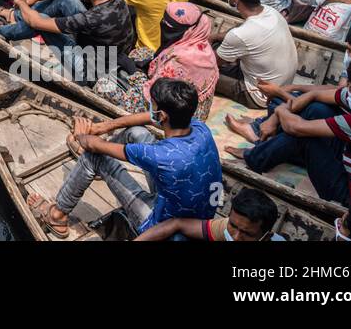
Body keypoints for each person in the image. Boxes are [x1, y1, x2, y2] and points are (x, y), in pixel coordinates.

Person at [28, 78, 222, 237]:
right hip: (194, 211)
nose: (150, 109)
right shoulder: (200, 128)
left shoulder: (159, 155)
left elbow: (92, 145)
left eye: (153, 106)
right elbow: (148, 118)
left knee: (92, 156)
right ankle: (95, 167)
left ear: (162, 115)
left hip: (163, 226)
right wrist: (103, 127)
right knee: (136, 132)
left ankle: (57, 215)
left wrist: (81, 135)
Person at [231, 58, 351, 205]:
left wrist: (279, 112)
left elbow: (296, 128)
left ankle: (255, 157)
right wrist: (281, 113)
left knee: (305, 136)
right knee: (316, 110)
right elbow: (315, 96)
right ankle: (262, 149)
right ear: (349, 86)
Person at [0, 0, 135, 81]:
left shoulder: (92, 18)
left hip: (90, 72)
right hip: (102, 49)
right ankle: (15, 16)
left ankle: (0, 31)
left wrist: (21, 3)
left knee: (41, 20)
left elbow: (36, 22)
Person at [214, 0, 299, 109]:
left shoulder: (240, 34)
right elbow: (242, 30)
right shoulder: (271, 11)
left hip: (260, 95)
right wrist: (214, 37)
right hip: (281, 83)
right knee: (222, 48)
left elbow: (212, 63)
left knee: (199, 72)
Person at [135, 186, 284, 242]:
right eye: (232, 225)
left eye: (248, 234)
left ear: (267, 236)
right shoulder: (228, 229)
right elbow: (177, 224)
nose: (236, 237)